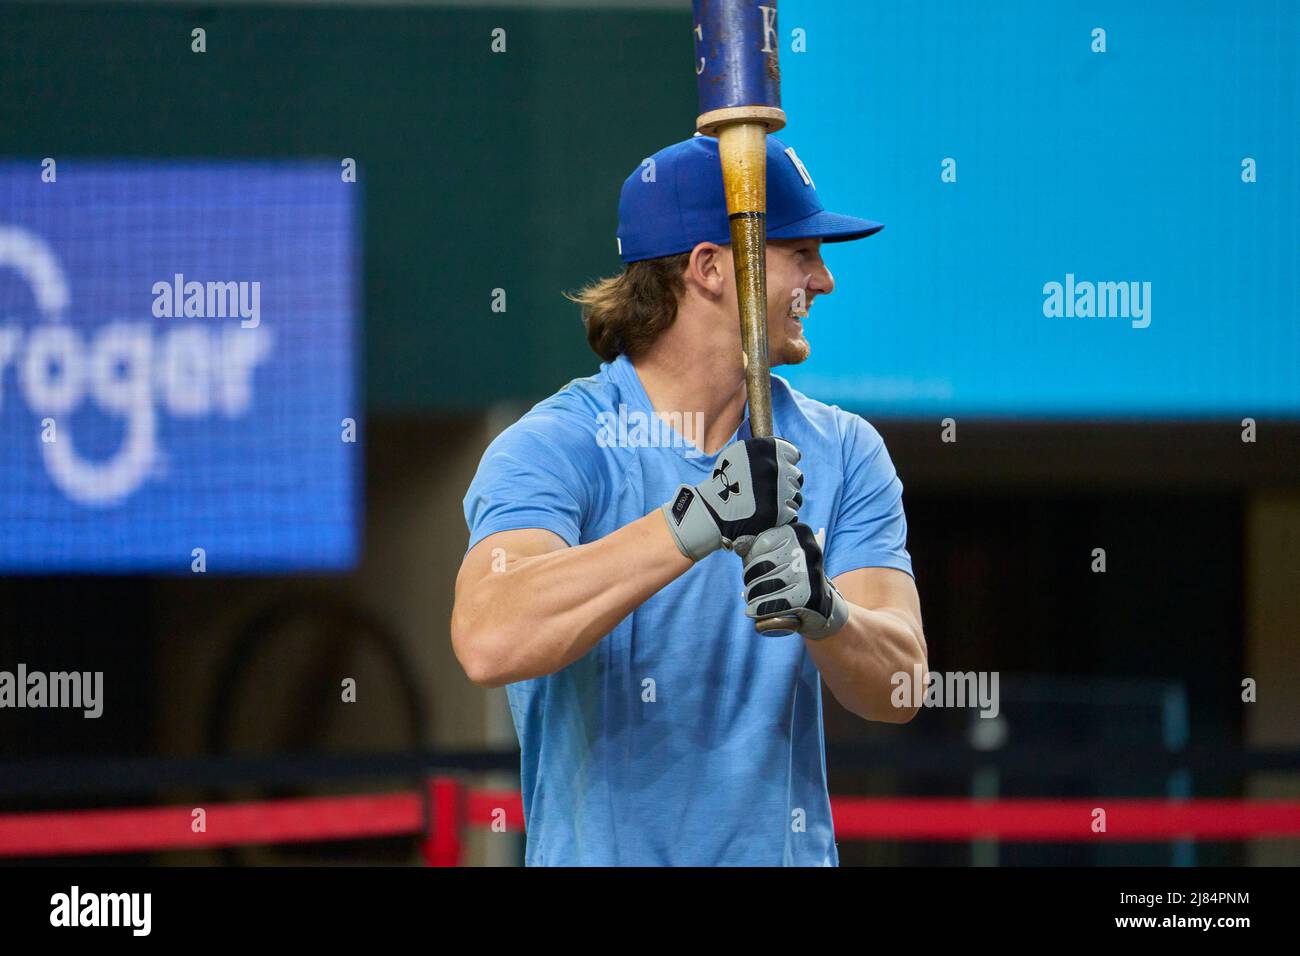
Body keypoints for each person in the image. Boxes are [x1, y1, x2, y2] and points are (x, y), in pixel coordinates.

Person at [452, 133, 926, 866]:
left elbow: (901, 687)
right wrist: (697, 520)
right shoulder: (557, 443)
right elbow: (489, 637)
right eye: (802, 253)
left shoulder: (845, 449)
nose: (824, 280)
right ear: (710, 267)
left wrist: (827, 613)